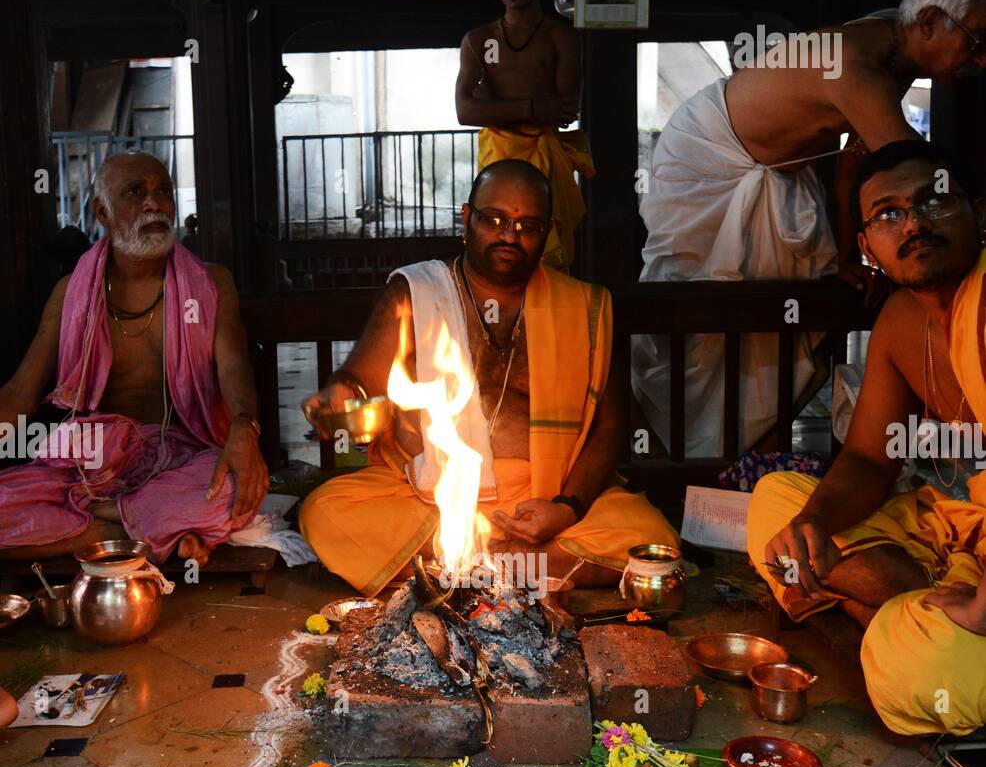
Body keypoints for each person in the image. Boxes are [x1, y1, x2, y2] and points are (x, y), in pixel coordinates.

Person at [632, 0, 986, 458]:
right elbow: (918, 177)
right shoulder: (860, 68)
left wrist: (848, 255)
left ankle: (753, 453)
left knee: (792, 306)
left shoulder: (895, 42)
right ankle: (678, 458)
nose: (983, 60)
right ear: (929, 21)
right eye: (977, 42)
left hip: (778, 171)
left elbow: (854, 161)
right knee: (697, 311)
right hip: (706, 158)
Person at [299, 160, 678, 595]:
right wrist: (342, 396)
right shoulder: (417, 291)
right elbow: (359, 380)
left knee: (651, 540)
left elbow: (611, 426)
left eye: (527, 225)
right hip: (430, 496)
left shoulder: (584, 308)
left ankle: (456, 567)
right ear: (466, 217)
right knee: (325, 512)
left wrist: (567, 509)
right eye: (494, 219)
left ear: (548, 230)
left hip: (544, 496)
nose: (509, 235)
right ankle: (517, 568)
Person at [748, 139, 986, 736]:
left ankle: (881, 607)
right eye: (889, 214)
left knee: (919, 673)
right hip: (955, 525)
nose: (915, 223)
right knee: (777, 505)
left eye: (934, 201)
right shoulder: (901, 319)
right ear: (866, 246)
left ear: (977, 211)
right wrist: (817, 523)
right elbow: (866, 459)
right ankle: (910, 600)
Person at [0, 152, 267, 565]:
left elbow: (233, 365)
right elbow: (20, 391)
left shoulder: (212, 283)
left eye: (163, 191)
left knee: (233, 487)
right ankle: (139, 531)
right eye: (135, 192)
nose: (153, 203)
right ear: (101, 212)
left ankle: (100, 527)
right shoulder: (71, 292)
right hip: (89, 464)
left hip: (184, 454)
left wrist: (244, 427)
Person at [455, 0, 592, 272]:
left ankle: (550, 316)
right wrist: (531, 106)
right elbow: (464, 112)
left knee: (545, 247)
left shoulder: (562, 37)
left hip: (544, 154)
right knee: (496, 239)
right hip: (498, 153)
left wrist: (498, 107)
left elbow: (562, 111)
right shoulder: (480, 39)